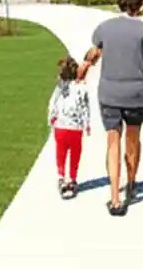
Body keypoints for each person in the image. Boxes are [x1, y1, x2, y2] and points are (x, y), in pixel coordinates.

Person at [80, 0, 143, 216]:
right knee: (133, 138)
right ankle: (131, 182)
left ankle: (114, 197)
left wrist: (84, 68)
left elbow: (93, 54)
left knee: (112, 142)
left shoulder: (103, 29)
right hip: (137, 93)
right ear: (140, 5)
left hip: (109, 92)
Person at [47, 55, 91, 200]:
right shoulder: (81, 88)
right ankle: (72, 179)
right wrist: (87, 124)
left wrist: (51, 118)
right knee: (75, 153)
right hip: (76, 128)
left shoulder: (60, 87)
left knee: (61, 152)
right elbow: (85, 107)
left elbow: (52, 104)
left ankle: (61, 176)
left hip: (60, 127)